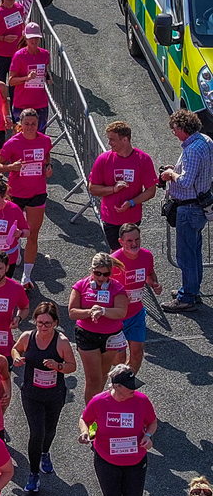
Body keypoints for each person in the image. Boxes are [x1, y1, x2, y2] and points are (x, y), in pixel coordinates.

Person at [11, 301, 76, 496]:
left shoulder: (62, 341)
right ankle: (33, 474)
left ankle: (45, 453)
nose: (43, 326)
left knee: (50, 429)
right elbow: (16, 349)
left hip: (54, 394)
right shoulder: (27, 337)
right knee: (36, 432)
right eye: (40, 322)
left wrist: (58, 366)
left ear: (55, 323)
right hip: (31, 393)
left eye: (47, 323)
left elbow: (72, 366)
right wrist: (16, 358)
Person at [79, 365, 157, 496]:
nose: (133, 390)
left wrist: (148, 436)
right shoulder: (99, 401)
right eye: (130, 388)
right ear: (116, 387)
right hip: (107, 461)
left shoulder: (141, 400)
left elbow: (152, 422)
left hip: (135, 461)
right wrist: (85, 432)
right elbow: (85, 419)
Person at [160, 110, 213, 312]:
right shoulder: (206, 140)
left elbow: (184, 181)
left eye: (174, 129)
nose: (174, 133)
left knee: (186, 255)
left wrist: (171, 173)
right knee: (195, 252)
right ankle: (192, 289)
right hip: (200, 206)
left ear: (183, 128)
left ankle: (187, 297)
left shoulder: (191, 150)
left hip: (189, 208)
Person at [0, 109, 53, 290]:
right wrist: (11, 166)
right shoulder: (12, 143)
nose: (30, 127)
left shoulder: (45, 141)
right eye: (26, 124)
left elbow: (46, 156)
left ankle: (26, 276)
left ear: (39, 124)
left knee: (32, 233)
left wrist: (48, 166)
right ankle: (12, 258)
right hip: (15, 193)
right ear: (20, 124)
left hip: (37, 192)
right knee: (11, 232)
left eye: (33, 124)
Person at [68, 252, 129, 403]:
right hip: (87, 335)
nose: (101, 278)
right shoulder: (81, 286)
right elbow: (72, 312)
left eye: (105, 274)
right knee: (93, 379)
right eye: (98, 273)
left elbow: (121, 311)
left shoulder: (117, 288)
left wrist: (103, 311)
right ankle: (90, 416)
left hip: (111, 336)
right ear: (92, 270)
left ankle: (98, 405)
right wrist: (90, 312)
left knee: (103, 374)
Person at [88, 121, 158, 251]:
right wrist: (113, 189)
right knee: (116, 254)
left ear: (125, 139)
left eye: (112, 140)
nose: (109, 143)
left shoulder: (143, 159)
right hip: (111, 218)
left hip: (133, 218)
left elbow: (151, 191)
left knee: (131, 251)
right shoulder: (104, 159)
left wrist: (131, 202)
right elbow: (92, 188)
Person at [112, 224, 162, 374]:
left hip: (136, 315)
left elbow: (150, 274)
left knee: (138, 353)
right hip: (117, 318)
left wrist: (154, 284)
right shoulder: (113, 261)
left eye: (137, 239)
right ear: (121, 242)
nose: (134, 244)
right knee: (119, 359)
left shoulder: (146, 255)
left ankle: (127, 383)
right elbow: (102, 287)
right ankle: (117, 385)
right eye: (129, 241)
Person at [8, 24, 51, 131]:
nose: (34, 40)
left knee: (40, 137)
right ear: (25, 37)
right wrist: (26, 78)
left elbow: (44, 71)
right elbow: (11, 81)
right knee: (21, 136)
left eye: (36, 37)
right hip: (22, 104)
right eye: (31, 37)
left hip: (40, 103)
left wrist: (47, 77)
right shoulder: (19, 56)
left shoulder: (45, 54)